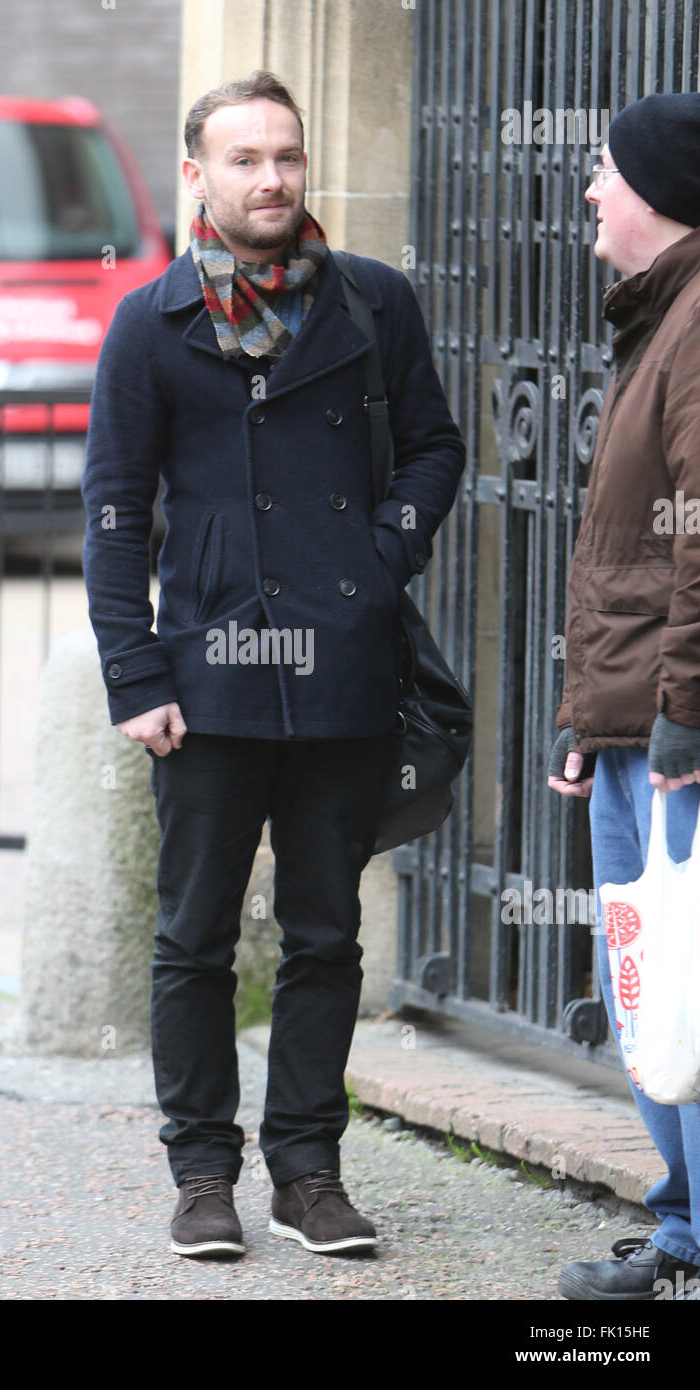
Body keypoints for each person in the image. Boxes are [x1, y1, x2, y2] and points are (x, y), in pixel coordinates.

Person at [81, 71, 465, 1258]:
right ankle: (203, 1171)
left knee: (325, 934)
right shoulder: (151, 322)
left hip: (342, 661)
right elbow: (112, 506)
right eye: (244, 159)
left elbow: (435, 447)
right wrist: (135, 676)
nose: (272, 179)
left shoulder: (372, 302)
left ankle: (308, 1168)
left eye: (286, 156)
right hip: (206, 677)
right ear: (197, 173)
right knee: (192, 936)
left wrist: (382, 549)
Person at [548, 91, 700, 1302]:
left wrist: (681, 716)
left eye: (604, 171)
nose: (589, 189)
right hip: (629, 730)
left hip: (677, 739)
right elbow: (626, 558)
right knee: (648, 984)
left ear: (658, 189)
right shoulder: (659, 315)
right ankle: (682, 1229)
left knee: (684, 982)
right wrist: (585, 722)